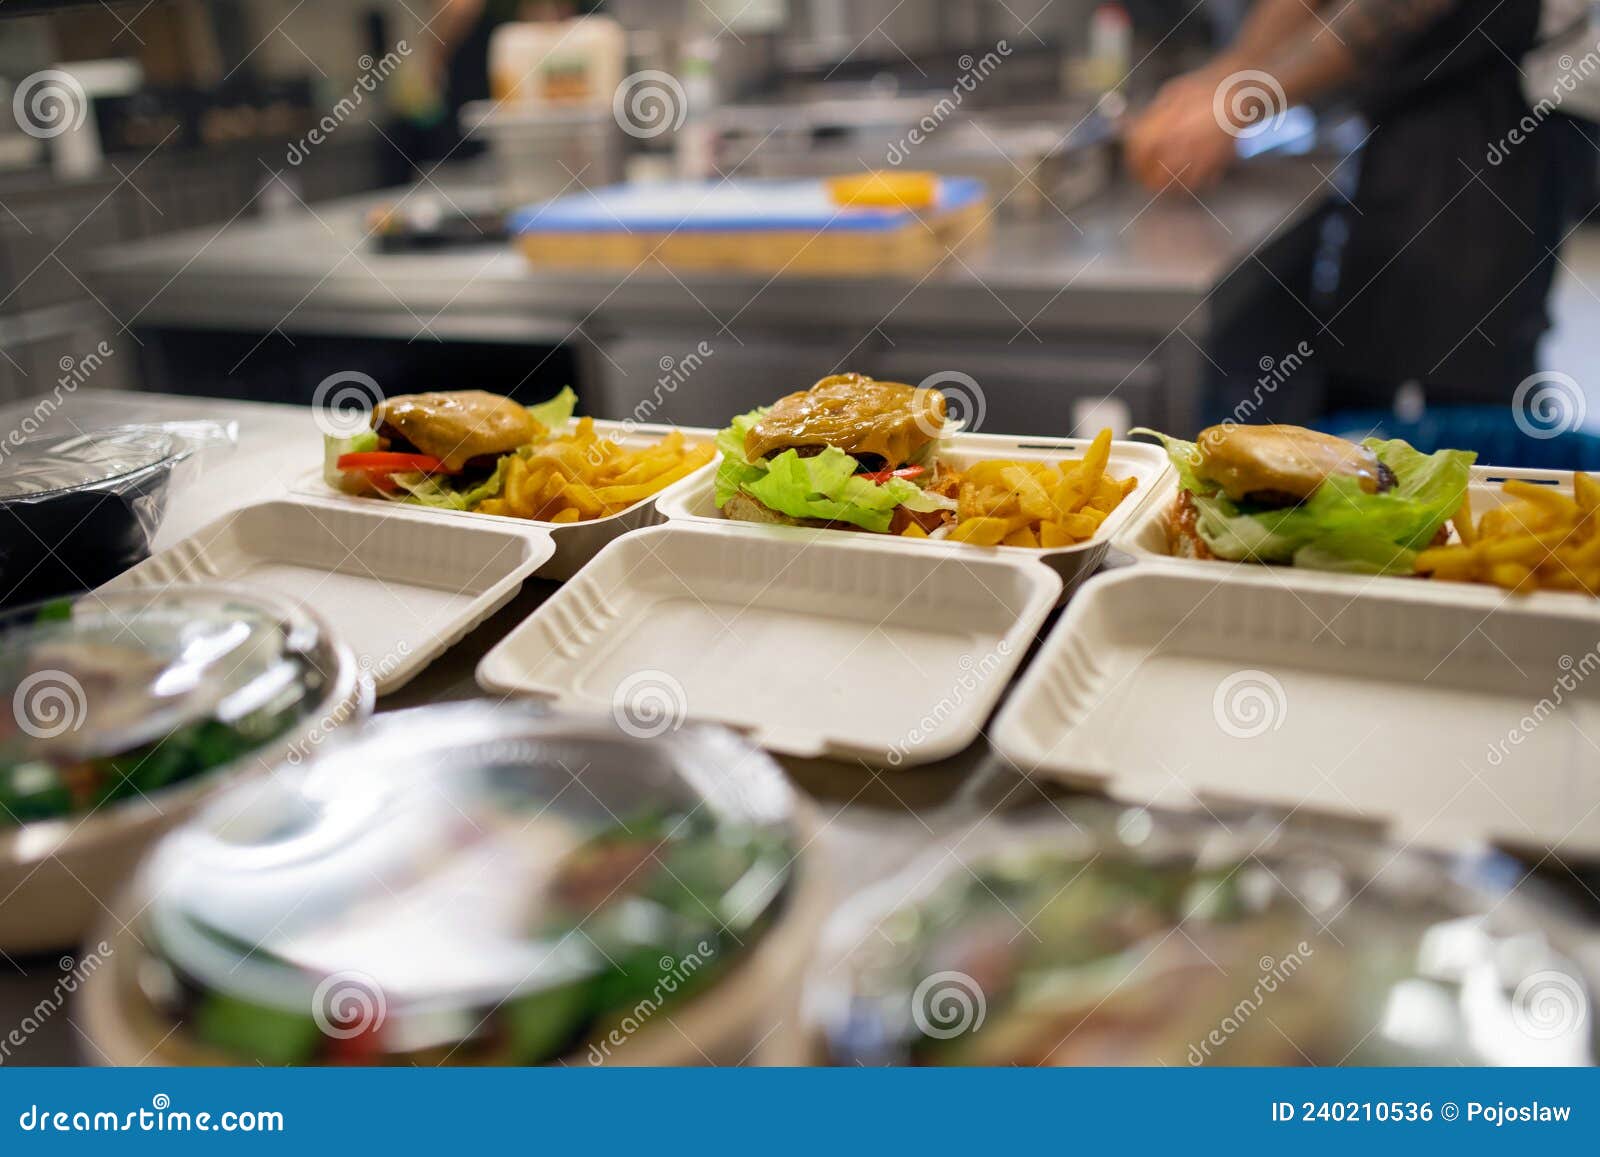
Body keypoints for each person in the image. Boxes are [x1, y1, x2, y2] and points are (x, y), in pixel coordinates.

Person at [1126, 0, 1596, 411]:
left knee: (1466, 364)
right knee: (1370, 347)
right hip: (1408, 113)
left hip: (1504, 107)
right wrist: (1229, 76)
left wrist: (1240, 100)